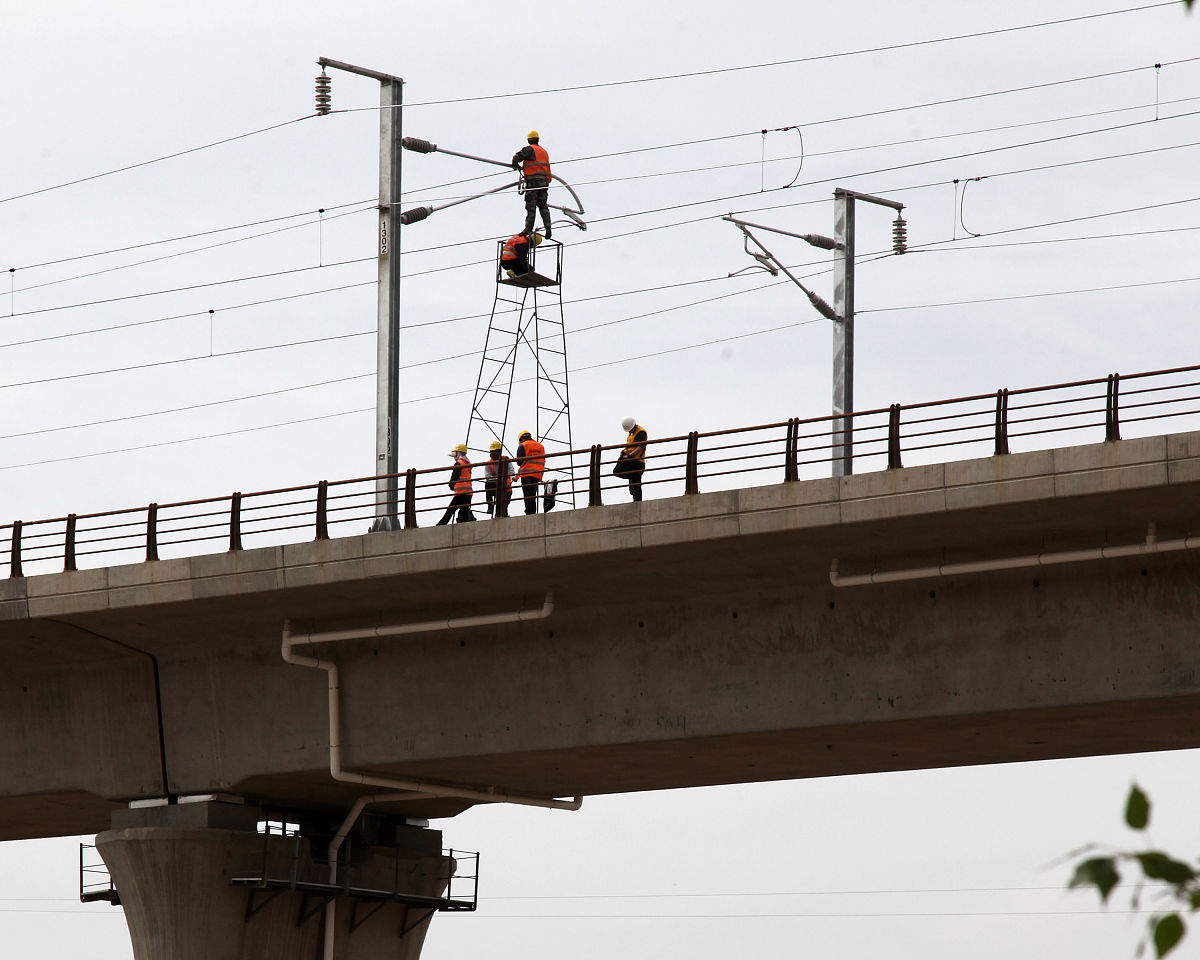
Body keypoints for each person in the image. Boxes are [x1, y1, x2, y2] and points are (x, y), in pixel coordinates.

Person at [511, 130, 552, 240]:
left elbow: (516, 158)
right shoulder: (544, 152)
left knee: (531, 205)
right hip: (544, 181)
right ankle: (548, 227)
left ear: (528, 140)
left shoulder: (530, 149)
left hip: (533, 181)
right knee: (543, 205)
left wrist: (515, 165)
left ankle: (528, 228)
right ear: (538, 139)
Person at [436, 444, 476, 525]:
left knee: (450, 510)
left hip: (461, 493)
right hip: (468, 493)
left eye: (455, 455)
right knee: (464, 512)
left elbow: (454, 476)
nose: (454, 457)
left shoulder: (459, 463)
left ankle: (440, 526)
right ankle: (465, 528)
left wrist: (451, 485)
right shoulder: (467, 463)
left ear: (458, 453)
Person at [614, 416, 647, 502]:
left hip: (637, 461)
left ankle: (638, 503)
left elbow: (640, 447)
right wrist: (624, 451)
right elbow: (631, 446)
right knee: (632, 485)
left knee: (635, 486)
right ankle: (636, 501)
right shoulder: (631, 433)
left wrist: (629, 455)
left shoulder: (641, 432)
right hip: (631, 460)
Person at [515, 429, 545, 515]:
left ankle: (529, 512)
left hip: (526, 474)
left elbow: (519, 462)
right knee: (533, 494)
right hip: (537, 474)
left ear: (521, 439)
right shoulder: (540, 446)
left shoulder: (523, 445)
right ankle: (532, 512)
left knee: (527, 495)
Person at [483, 441, 513, 516]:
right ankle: (490, 506)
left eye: (493, 452)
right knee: (488, 484)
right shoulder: (488, 463)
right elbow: (487, 476)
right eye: (490, 452)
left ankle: (503, 515)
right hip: (495, 486)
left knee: (503, 507)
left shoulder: (506, 460)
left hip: (506, 488)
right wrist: (497, 479)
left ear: (499, 452)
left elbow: (511, 471)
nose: (491, 454)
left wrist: (513, 477)